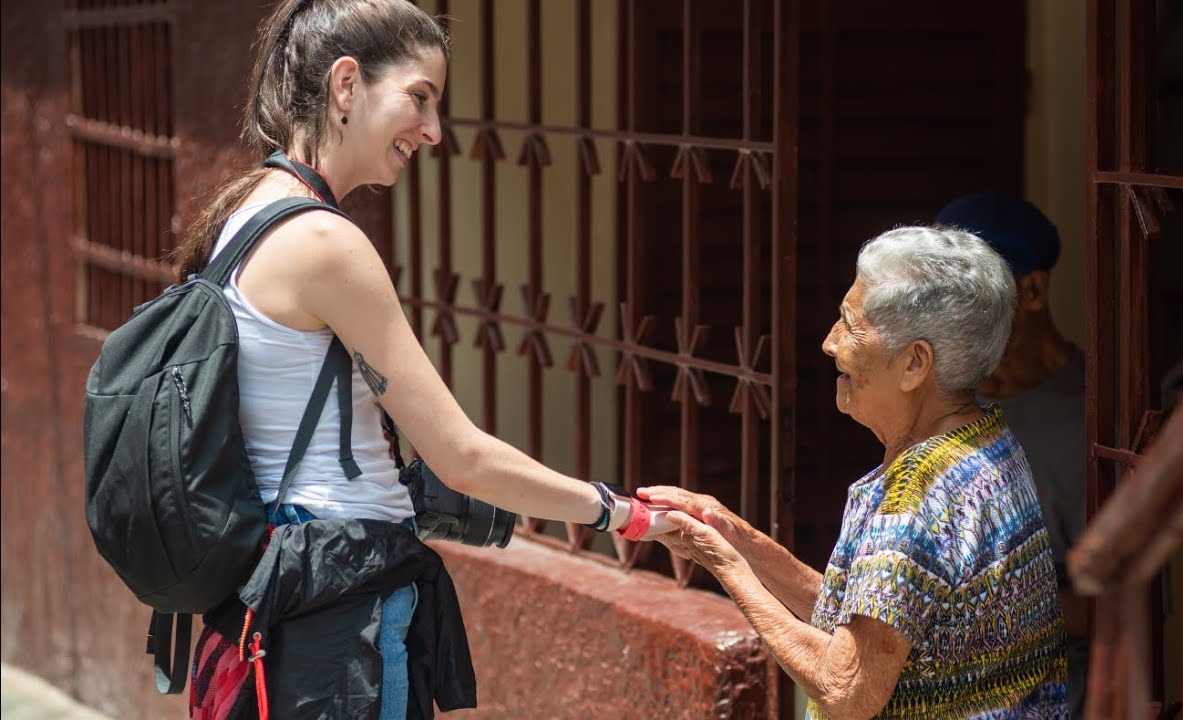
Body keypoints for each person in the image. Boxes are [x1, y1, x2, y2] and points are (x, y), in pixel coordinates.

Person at [173, 1, 667, 717]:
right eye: (420, 98)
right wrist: (618, 513)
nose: (434, 131)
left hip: (276, 605)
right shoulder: (324, 243)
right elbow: (461, 456)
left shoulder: (245, 209)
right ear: (347, 85)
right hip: (341, 622)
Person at [642, 226, 1068, 719]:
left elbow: (846, 688)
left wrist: (726, 567)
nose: (829, 343)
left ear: (914, 363)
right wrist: (731, 533)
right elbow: (874, 619)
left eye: (849, 324)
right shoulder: (988, 444)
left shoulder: (915, 497)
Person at [936, 192, 1089, 719]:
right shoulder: (939, 400)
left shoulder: (1101, 422)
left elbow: (1130, 611)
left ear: (1032, 290)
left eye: (974, 298)